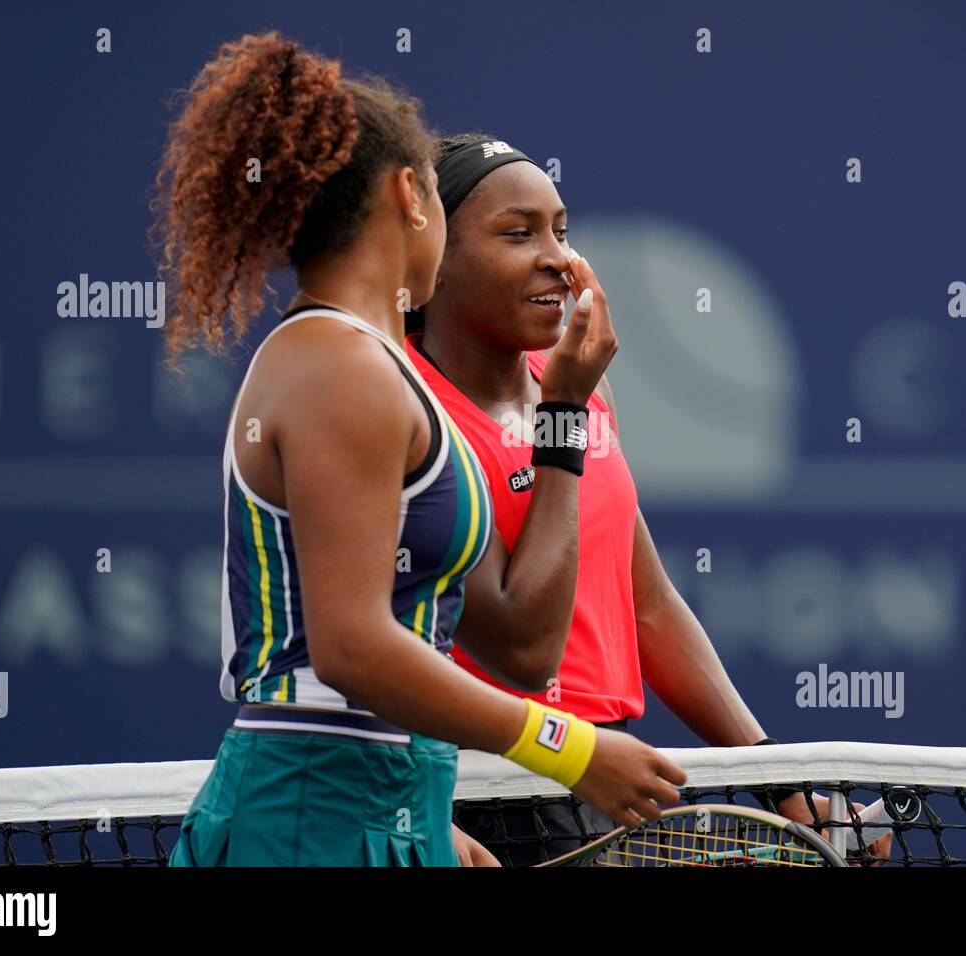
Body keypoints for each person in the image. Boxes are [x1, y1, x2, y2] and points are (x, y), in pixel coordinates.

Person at [149, 34, 684, 867]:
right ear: (411, 196)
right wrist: (570, 750)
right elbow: (352, 649)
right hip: (308, 810)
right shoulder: (341, 370)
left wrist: (429, 812)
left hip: (379, 795)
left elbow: (401, 637)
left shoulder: (367, 363)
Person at [407, 133, 891, 865]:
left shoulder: (575, 380)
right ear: (434, 262)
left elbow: (648, 604)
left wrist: (782, 784)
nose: (559, 260)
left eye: (562, 232)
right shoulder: (407, 415)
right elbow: (520, 656)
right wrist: (562, 416)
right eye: (517, 233)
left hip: (599, 783)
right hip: (477, 795)